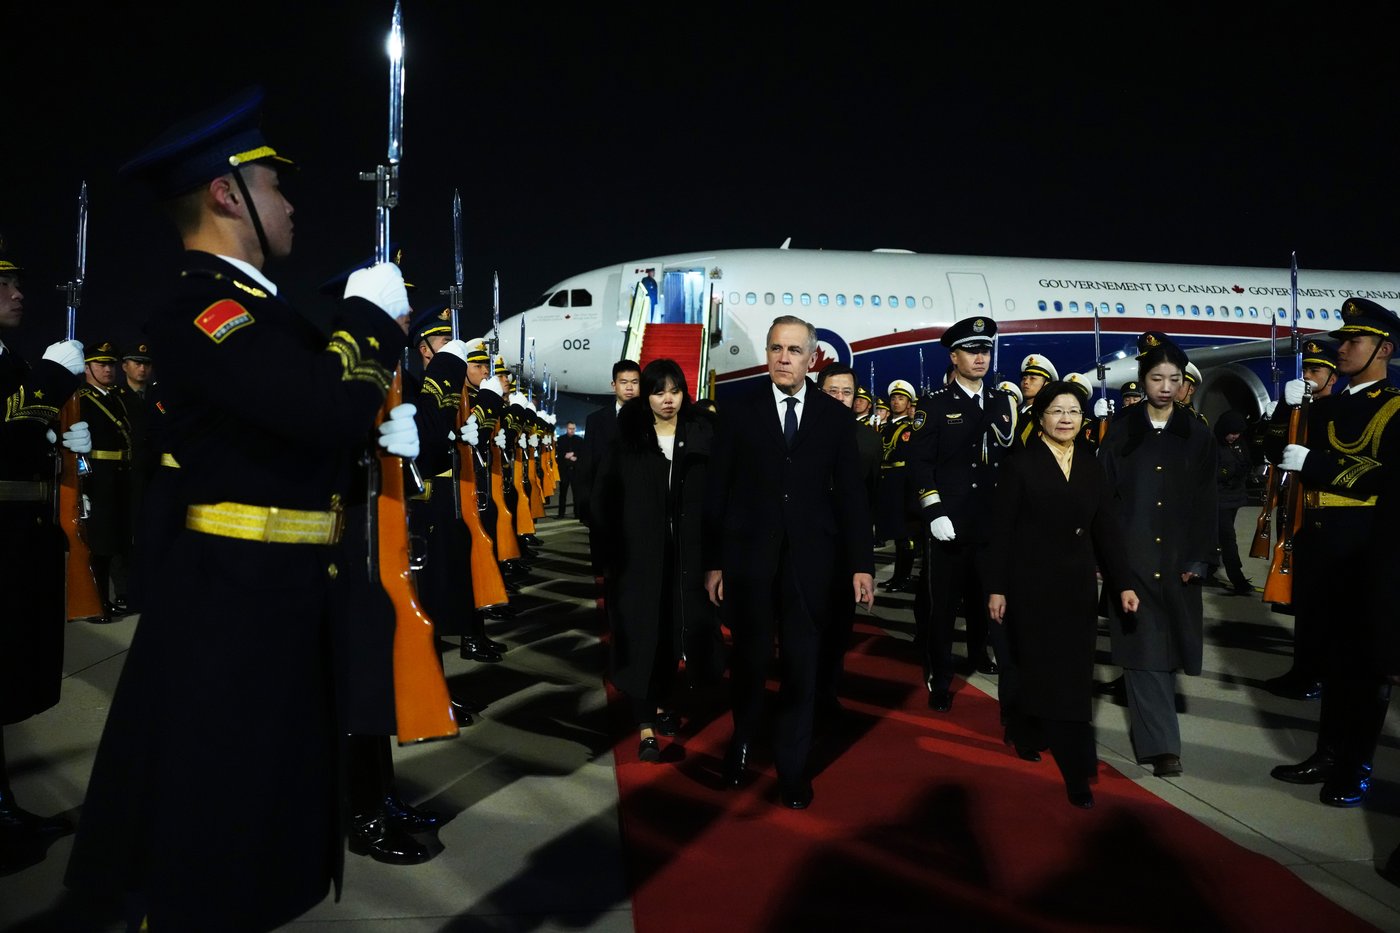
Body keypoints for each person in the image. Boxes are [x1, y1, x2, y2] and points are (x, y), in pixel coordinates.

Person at [65, 88, 412, 932]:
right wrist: (370, 322)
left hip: (275, 603)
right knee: (217, 842)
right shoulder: (203, 308)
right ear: (227, 195)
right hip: (237, 617)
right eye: (272, 185)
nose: (289, 202)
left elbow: (303, 436)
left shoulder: (261, 312)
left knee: (261, 832)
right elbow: (319, 407)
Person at [704, 315, 874, 810]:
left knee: (803, 665)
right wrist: (714, 561)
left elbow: (851, 498)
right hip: (749, 559)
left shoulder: (835, 417)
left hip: (812, 563)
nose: (783, 357)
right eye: (776, 348)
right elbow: (717, 492)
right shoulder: (737, 411)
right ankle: (741, 742)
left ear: (811, 358)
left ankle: (792, 767)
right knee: (751, 660)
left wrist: (861, 563)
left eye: (794, 350)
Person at [1267, 297, 1400, 808]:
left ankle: (1355, 767)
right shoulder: (1327, 404)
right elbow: (1274, 447)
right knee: (1331, 661)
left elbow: (1388, 477)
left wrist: (1318, 466)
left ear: (1383, 349)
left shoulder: (1395, 407)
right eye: (1342, 340)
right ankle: (1326, 753)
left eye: (1354, 341)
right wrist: (1288, 406)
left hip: (1366, 553)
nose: (1341, 349)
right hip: (1323, 548)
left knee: (1364, 669)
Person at [986, 383, 1138, 808]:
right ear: (1040, 416)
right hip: (1029, 583)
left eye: (1074, 410)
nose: (1066, 418)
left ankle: (1076, 768)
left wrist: (1122, 582)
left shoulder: (1092, 465)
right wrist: (996, 588)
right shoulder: (1020, 464)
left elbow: (1107, 529)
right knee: (1033, 665)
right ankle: (1025, 728)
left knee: (1074, 673)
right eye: (1057, 410)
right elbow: (1001, 533)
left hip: (1075, 586)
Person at [0, 243, 89, 871]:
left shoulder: (10, 357)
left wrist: (57, 436)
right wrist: (51, 388)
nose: (18, 293)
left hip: (18, 533)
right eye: (3, 285)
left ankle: (0, 802)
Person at [1097, 332, 1217, 778]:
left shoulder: (1197, 435)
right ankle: (1163, 746)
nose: (1166, 386)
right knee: (1144, 648)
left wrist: (1200, 558)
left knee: (1172, 648)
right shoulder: (1121, 433)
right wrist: (1107, 558)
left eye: (1174, 378)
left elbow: (1208, 501)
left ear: (1185, 384)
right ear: (1143, 380)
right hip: (1133, 557)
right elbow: (1104, 498)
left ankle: (1157, 731)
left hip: (1180, 561)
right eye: (1156, 378)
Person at [591, 359, 723, 762]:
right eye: (658, 391)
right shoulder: (627, 437)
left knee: (672, 633)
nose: (668, 400)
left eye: (675, 390)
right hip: (635, 559)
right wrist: (610, 555)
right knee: (639, 635)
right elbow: (603, 499)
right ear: (646, 396)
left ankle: (664, 702)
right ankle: (645, 721)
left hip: (686, 558)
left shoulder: (701, 434)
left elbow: (718, 500)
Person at [909, 316, 1019, 711]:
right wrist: (934, 510)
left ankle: (980, 655)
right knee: (943, 609)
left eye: (985, 350)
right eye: (972, 351)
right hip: (949, 526)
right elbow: (919, 465)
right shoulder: (934, 405)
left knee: (989, 602)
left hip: (990, 525)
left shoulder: (1002, 403)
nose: (980, 358)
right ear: (954, 356)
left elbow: (1009, 463)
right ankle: (940, 678)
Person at [1261, 338, 1338, 700]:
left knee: (1325, 607)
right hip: (1297, 514)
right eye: (1305, 369)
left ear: (1332, 378)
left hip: (1327, 517)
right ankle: (1302, 670)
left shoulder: (1338, 409)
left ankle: (1320, 675)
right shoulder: (1296, 407)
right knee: (1303, 602)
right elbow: (1269, 447)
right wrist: (1282, 410)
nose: (1308, 376)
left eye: (1316, 370)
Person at [815, 362, 881, 719]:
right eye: (832, 392)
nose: (840, 399)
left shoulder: (869, 442)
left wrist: (863, 565)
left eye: (847, 393)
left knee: (839, 632)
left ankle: (827, 697)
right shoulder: (797, 433)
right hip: (803, 553)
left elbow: (865, 507)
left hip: (843, 555)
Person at [77, 339, 133, 621]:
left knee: (113, 541)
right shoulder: (82, 399)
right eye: (101, 364)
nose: (108, 369)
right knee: (98, 545)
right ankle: (95, 602)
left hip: (117, 477)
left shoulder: (115, 397)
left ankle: (108, 599)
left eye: (111, 364)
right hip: (97, 477)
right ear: (87, 367)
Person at [577, 359, 639, 528]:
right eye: (623, 382)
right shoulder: (595, 420)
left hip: (640, 508)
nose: (629, 388)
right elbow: (587, 466)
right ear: (614, 385)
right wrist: (585, 505)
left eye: (634, 382)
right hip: (603, 505)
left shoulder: (651, 419)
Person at [876, 378, 919, 592]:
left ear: (909, 403)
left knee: (905, 536)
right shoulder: (884, 428)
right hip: (888, 484)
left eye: (901, 398)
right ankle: (896, 576)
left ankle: (903, 577)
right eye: (893, 398)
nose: (895, 402)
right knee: (895, 531)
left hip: (902, 484)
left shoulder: (910, 428)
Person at [1213, 409, 1254, 595]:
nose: (1234, 437)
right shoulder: (1213, 445)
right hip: (1219, 499)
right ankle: (1237, 578)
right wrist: (1229, 472)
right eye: (1231, 433)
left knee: (1219, 538)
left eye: (1237, 434)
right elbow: (1211, 473)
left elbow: (1247, 461)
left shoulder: (1239, 444)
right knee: (1228, 539)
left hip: (1235, 498)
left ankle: (1208, 570)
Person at [554, 420, 583, 517]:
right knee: (563, 493)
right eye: (570, 428)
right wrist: (565, 455)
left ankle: (577, 513)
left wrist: (575, 455)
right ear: (567, 428)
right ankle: (561, 513)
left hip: (575, 470)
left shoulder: (579, 440)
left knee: (576, 493)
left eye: (573, 429)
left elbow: (583, 453)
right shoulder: (561, 439)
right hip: (564, 470)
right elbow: (557, 453)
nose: (572, 430)